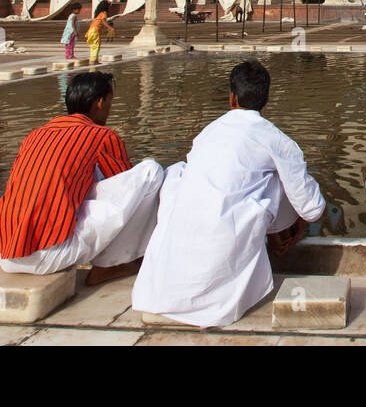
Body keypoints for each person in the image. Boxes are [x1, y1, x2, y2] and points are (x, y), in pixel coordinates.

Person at [132, 61, 326, 327]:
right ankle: (280, 240)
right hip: (221, 281)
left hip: (164, 285)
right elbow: (312, 209)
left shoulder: (207, 133)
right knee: (279, 180)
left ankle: (275, 237)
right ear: (266, 99)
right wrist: (298, 223)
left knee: (179, 172)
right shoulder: (277, 140)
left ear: (232, 97)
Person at [0, 70, 163, 285]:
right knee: (150, 171)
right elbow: (126, 189)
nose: (109, 107)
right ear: (99, 103)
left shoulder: (35, 134)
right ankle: (110, 265)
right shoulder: (102, 135)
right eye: (109, 101)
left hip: (4, 251)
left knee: (86, 175)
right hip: (47, 255)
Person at [85, 0, 115, 65]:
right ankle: (94, 61)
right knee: (96, 46)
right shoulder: (104, 13)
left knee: (93, 46)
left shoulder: (99, 13)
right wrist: (111, 28)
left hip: (91, 30)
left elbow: (99, 24)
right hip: (94, 31)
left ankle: (94, 60)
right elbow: (103, 22)